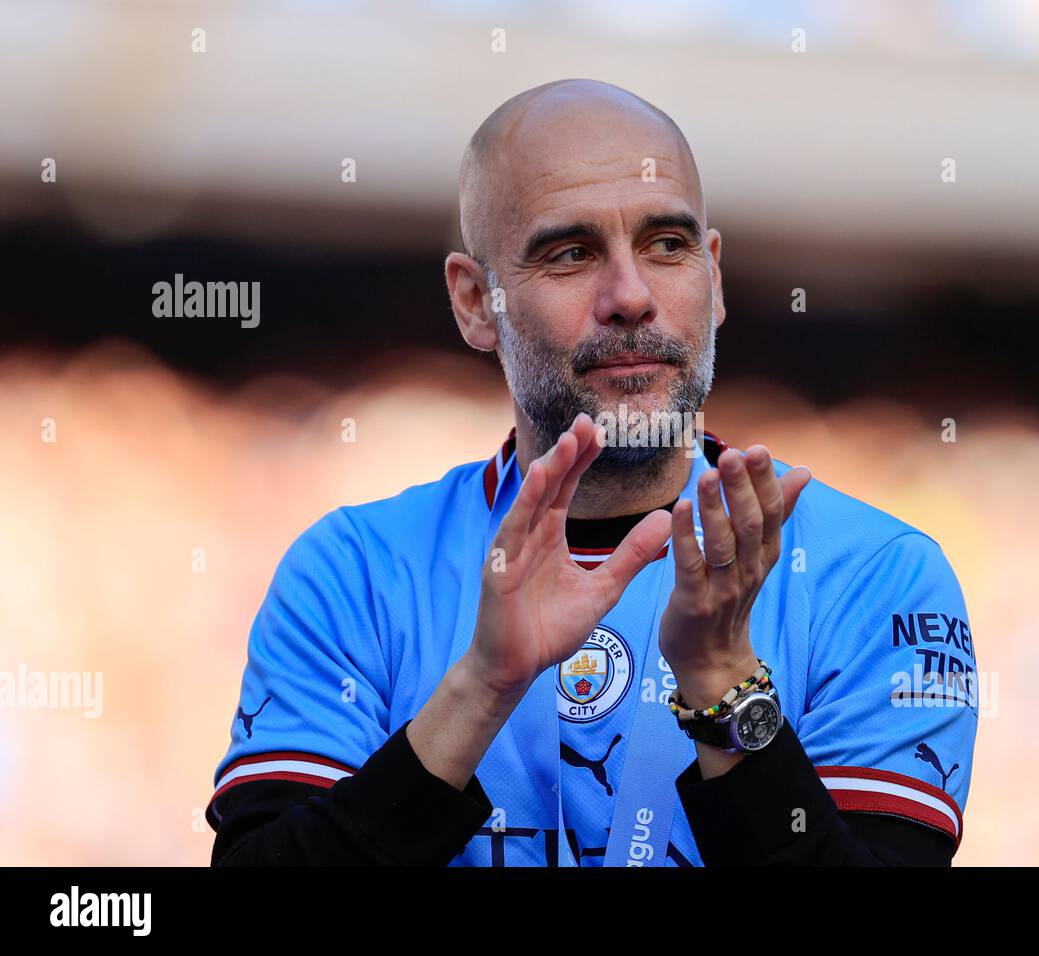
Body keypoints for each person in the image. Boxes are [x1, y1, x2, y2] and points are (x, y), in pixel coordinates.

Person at [207, 79, 978, 866]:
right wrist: (480, 688)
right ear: (476, 303)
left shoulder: (879, 577)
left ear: (713, 279)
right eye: (571, 253)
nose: (631, 296)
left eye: (668, 245)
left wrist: (721, 682)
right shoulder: (352, 573)